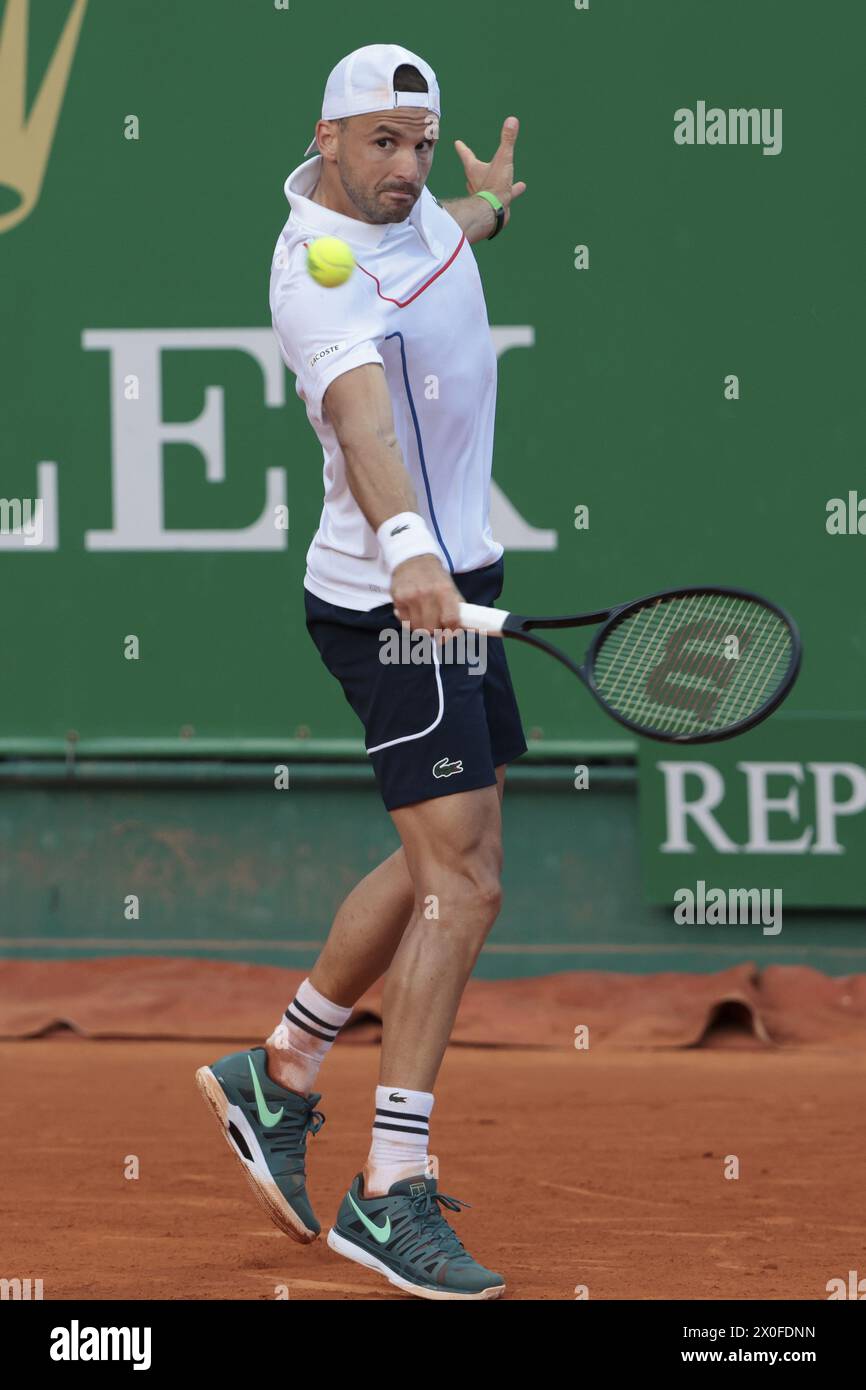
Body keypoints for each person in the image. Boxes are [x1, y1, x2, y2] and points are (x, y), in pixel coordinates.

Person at [197, 42, 527, 1301]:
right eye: (379, 143)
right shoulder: (313, 278)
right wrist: (409, 554)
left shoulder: (417, 214)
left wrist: (490, 202)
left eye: (420, 145)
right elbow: (361, 421)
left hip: (462, 579)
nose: (405, 169)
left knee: (439, 856)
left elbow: (442, 234)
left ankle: (278, 1067)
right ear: (322, 138)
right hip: (397, 599)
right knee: (467, 883)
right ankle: (388, 1190)